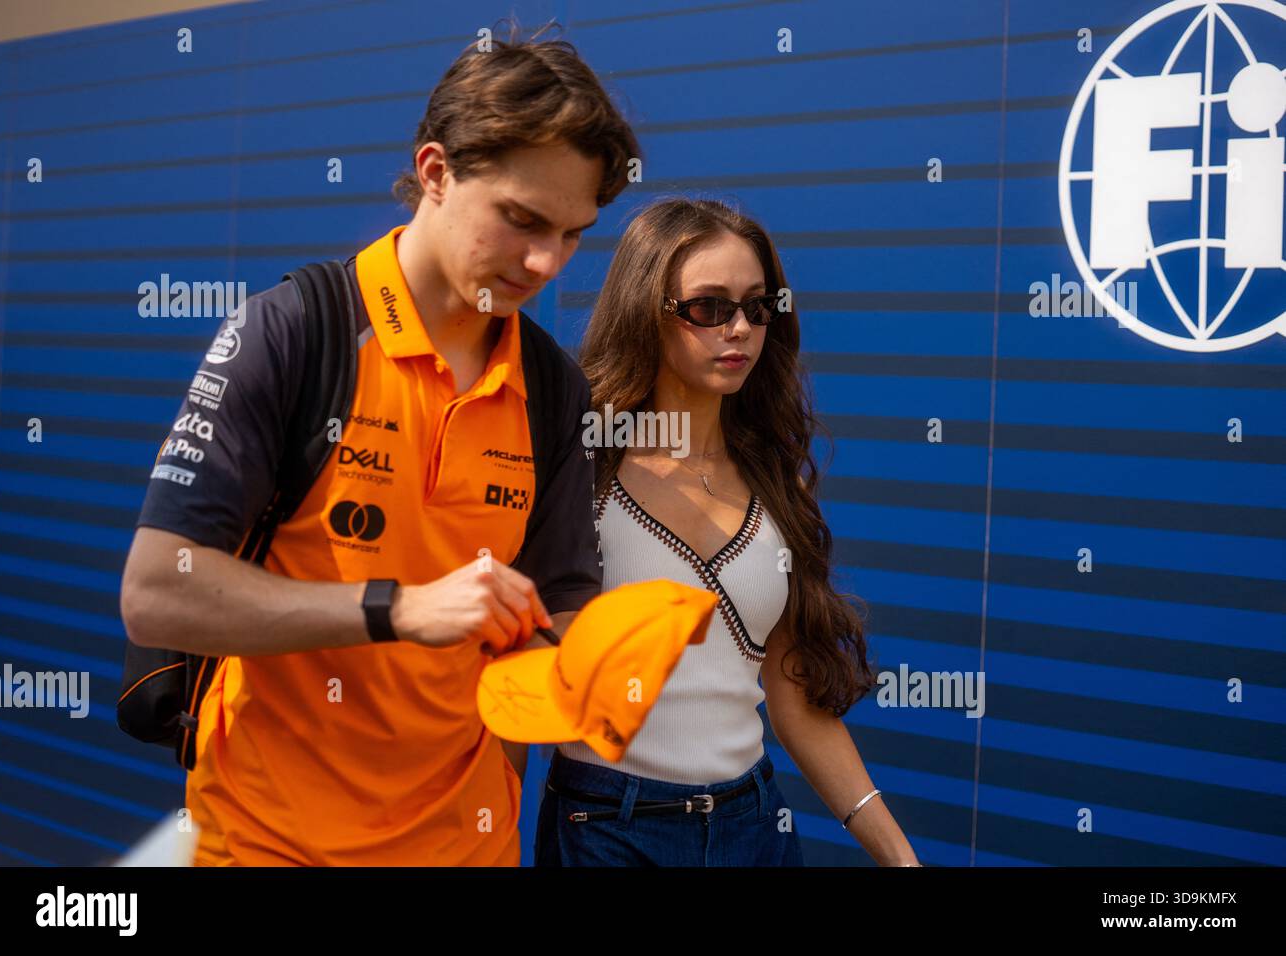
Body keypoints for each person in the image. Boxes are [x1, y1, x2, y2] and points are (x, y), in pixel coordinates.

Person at [119, 24, 640, 866]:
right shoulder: (293, 332)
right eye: (521, 219)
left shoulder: (552, 387)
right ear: (434, 171)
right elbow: (155, 591)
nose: (547, 262)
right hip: (269, 840)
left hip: (468, 842)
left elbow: (558, 605)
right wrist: (394, 609)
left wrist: (605, 656)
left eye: (574, 233)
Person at [532, 198, 922, 867]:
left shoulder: (775, 479)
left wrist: (898, 856)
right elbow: (517, 673)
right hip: (605, 827)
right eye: (708, 307)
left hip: (754, 826)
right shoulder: (578, 464)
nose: (738, 328)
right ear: (646, 311)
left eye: (756, 306)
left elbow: (791, 690)